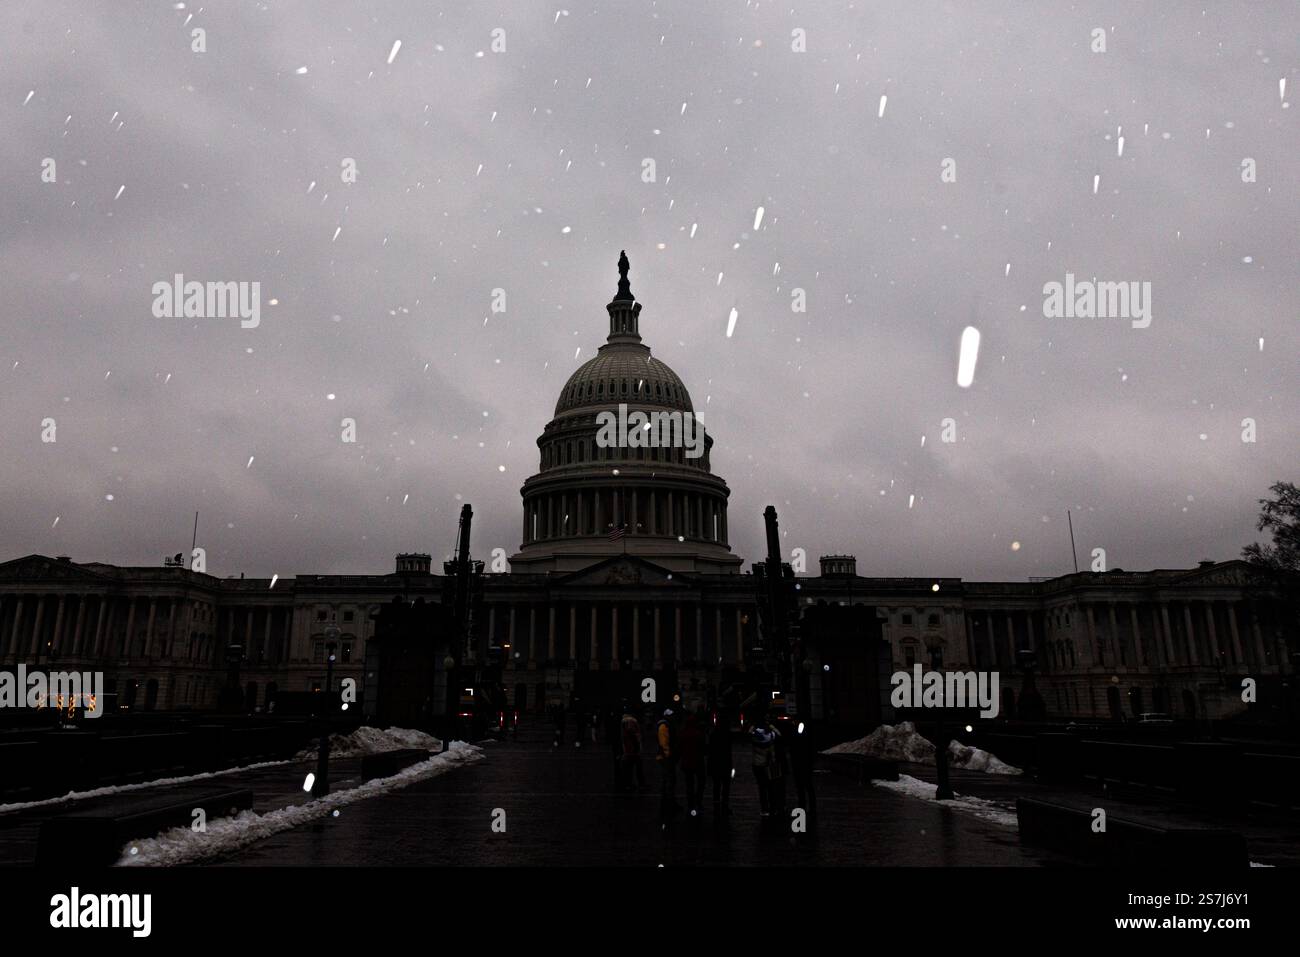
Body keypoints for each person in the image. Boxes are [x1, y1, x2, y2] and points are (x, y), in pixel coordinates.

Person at [678, 712, 706, 817]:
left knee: (689, 784)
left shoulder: (682, 733)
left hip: (686, 763)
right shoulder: (699, 734)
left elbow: (679, 748)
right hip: (698, 762)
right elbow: (704, 749)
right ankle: (698, 801)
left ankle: (690, 803)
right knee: (701, 783)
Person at [791, 717, 817, 824]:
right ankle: (809, 807)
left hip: (800, 763)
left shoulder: (799, 733)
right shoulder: (806, 734)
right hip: (804, 763)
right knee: (806, 787)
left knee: (803, 787)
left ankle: (804, 806)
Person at [707, 709, 733, 817]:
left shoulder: (714, 734)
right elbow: (728, 752)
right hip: (725, 764)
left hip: (716, 764)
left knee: (716, 786)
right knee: (725, 787)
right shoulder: (727, 734)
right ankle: (724, 806)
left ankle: (717, 806)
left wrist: (709, 767)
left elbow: (710, 752)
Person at [656, 707, 679, 822]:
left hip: (666, 757)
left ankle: (669, 802)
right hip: (666, 758)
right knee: (668, 781)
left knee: (669, 781)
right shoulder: (664, 726)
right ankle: (669, 804)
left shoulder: (665, 725)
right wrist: (668, 755)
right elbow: (664, 743)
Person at [750, 719, 777, 817]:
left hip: (758, 764)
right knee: (771, 787)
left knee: (762, 788)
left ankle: (765, 809)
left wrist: (754, 725)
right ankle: (773, 808)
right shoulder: (771, 736)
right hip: (770, 764)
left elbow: (749, 733)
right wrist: (771, 726)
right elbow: (779, 734)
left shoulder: (755, 736)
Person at [621, 705, 646, 791]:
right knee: (638, 768)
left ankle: (628, 784)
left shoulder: (623, 721)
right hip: (633, 749)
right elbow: (633, 734)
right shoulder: (631, 721)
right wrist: (637, 747)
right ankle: (641, 784)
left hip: (627, 748)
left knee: (628, 769)